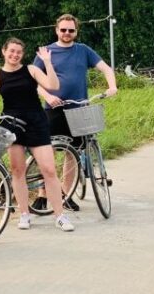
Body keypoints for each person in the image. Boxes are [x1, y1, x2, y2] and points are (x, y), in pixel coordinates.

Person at [0, 37, 75, 232]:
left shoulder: (31, 70)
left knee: (49, 170)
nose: (14, 55)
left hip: (37, 122)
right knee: (17, 170)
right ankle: (24, 214)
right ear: (4, 51)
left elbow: (54, 86)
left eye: (18, 52)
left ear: (22, 54)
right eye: (11, 51)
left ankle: (60, 215)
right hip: (11, 125)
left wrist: (47, 62)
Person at [32, 14, 118, 212]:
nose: (67, 33)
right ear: (56, 30)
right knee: (48, 153)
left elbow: (106, 68)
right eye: (63, 30)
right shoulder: (46, 52)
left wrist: (112, 86)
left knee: (73, 155)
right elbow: (33, 79)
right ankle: (43, 195)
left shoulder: (83, 50)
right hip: (52, 109)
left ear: (76, 32)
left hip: (78, 109)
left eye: (71, 30)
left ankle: (65, 194)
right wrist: (48, 95)